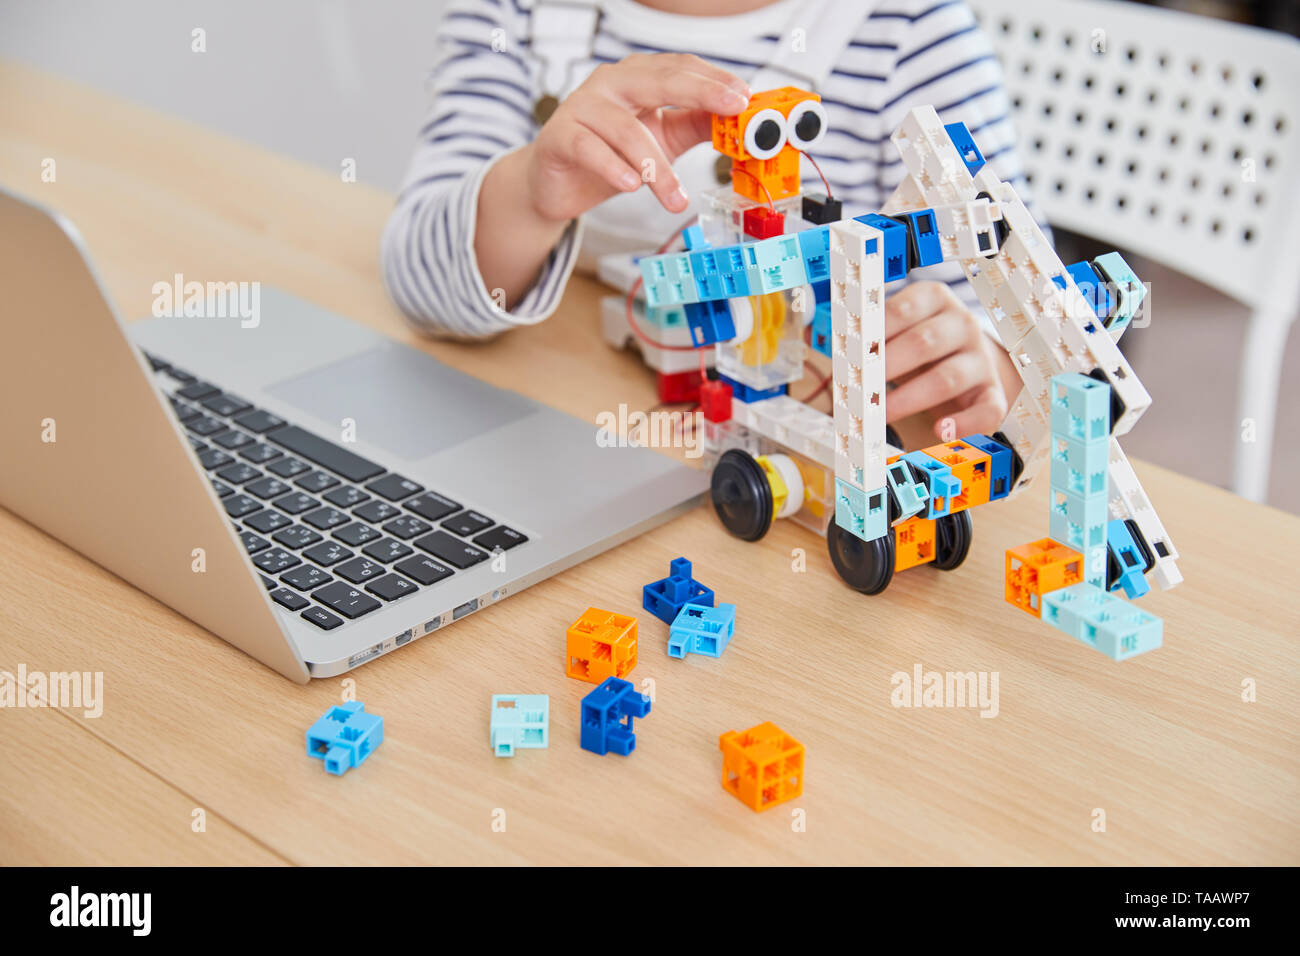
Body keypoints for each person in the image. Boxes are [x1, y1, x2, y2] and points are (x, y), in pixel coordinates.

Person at [382, 0, 1047, 438]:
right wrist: (535, 192)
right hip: (576, 423)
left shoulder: (913, 34)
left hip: (810, 417)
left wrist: (991, 354)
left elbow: (1034, 324)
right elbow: (423, 290)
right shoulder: (516, 14)